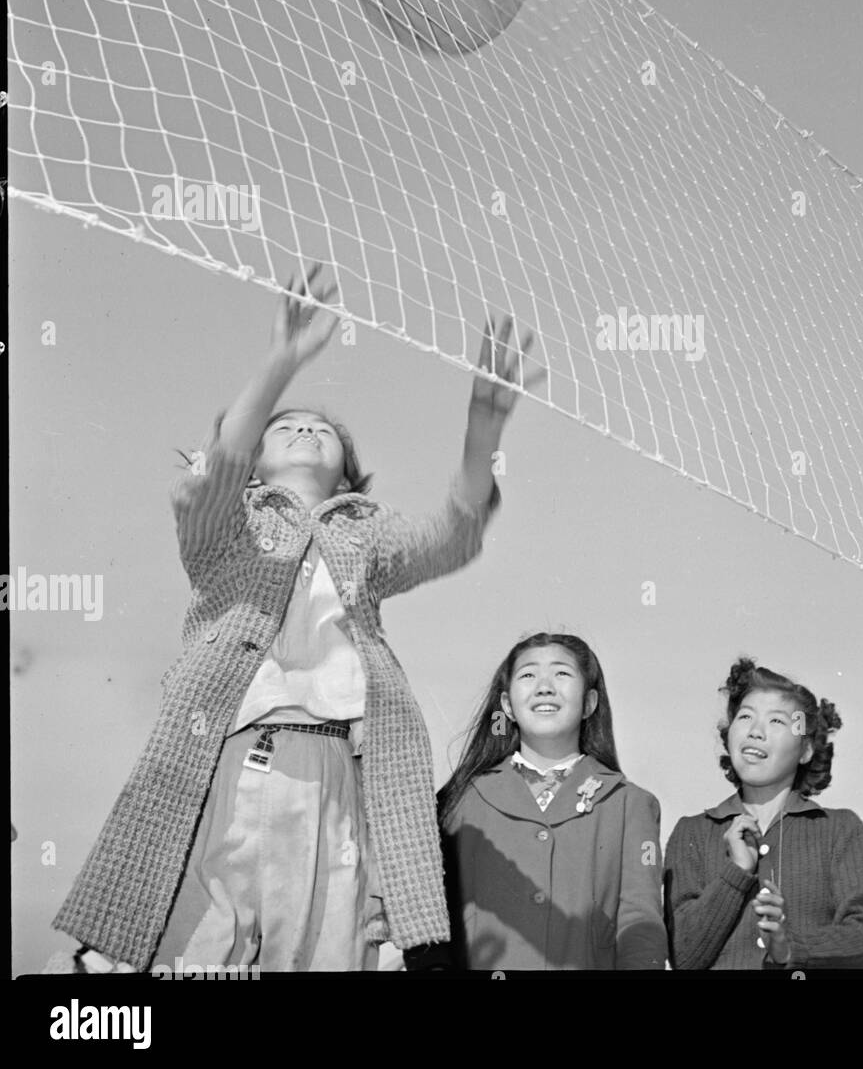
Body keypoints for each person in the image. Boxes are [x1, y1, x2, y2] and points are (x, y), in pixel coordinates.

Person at [51, 266, 543, 972]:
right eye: (286, 427)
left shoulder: (366, 535)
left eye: (323, 429)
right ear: (254, 464)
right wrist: (283, 361)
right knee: (191, 952)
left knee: (325, 952)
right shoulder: (228, 524)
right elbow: (215, 471)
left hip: (335, 769)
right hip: (221, 767)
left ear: (349, 478)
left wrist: (484, 424)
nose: (307, 426)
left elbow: (454, 534)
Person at [432, 632, 667, 970]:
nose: (544, 686)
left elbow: (640, 925)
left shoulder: (630, 804)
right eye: (528, 675)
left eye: (561, 673)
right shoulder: (461, 802)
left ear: (589, 703)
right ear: (507, 706)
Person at [664, 657, 863, 970]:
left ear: (806, 750)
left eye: (777, 722)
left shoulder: (841, 829)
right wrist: (737, 874)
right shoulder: (692, 832)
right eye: (745, 717)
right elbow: (684, 956)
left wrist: (790, 947)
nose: (756, 731)